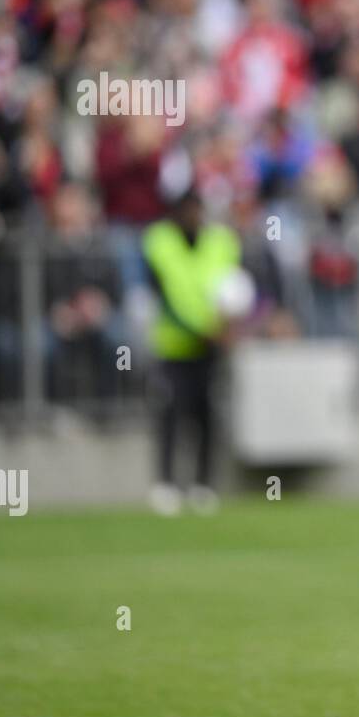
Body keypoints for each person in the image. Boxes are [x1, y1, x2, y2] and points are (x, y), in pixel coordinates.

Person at [141, 187, 242, 515]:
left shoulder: (221, 243)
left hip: (210, 348)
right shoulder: (160, 242)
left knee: (207, 415)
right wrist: (206, 330)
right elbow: (167, 296)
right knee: (170, 412)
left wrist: (229, 325)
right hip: (174, 345)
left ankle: (203, 485)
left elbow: (233, 289)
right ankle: (166, 483)